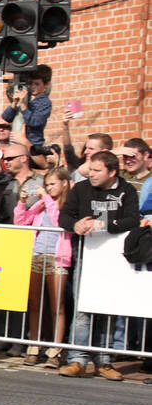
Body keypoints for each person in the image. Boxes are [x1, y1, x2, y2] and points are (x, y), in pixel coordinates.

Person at [58, 151, 141, 380]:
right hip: (86, 256)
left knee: (108, 310)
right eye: (90, 170)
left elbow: (133, 219)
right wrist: (74, 225)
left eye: (97, 171)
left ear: (112, 172)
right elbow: (63, 216)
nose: (91, 174)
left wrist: (102, 223)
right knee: (82, 310)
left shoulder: (126, 190)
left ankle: (104, 360)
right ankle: (77, 359)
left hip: (114, 259)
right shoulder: (81, 189)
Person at [14, 168, 72, 367]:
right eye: (47, 185)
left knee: (57, 306)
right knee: (35, 305)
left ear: (64, 183)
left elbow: (58, 221)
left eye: (53, 184)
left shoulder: (67, 204)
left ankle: (55, 350)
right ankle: (34, 346)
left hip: (57, 258)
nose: (49, 188)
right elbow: (21, 221)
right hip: (37, 256)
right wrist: (22, 202)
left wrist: (46, 198)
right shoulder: (41, 205)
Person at [2, 67, 53, 148]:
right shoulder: (26, 97)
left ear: (46, 84)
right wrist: (14, 103)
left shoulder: (45, 102)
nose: (32, 87)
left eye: (37, 84)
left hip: (32, 145)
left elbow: (34, 122)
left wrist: (22, 105)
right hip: (15, 143)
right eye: (30, 83)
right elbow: (6, 118)